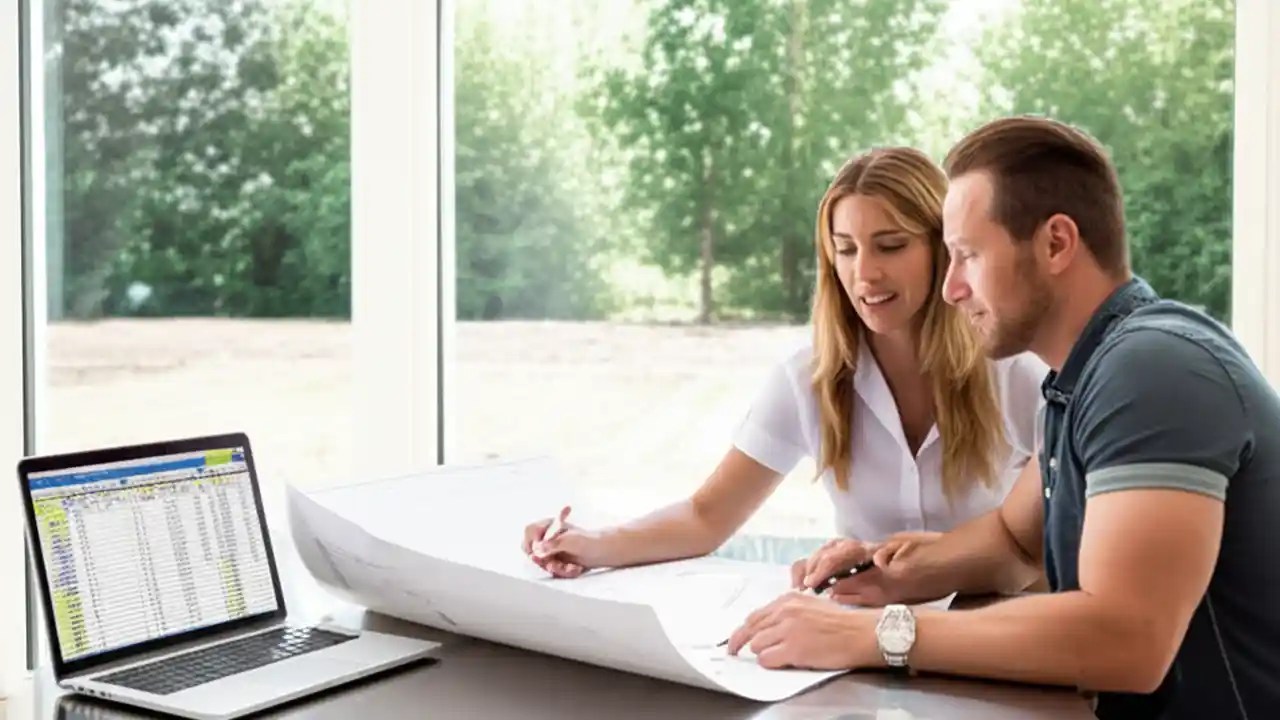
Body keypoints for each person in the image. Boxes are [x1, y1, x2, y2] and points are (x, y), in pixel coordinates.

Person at [726, 116, 1280, 719]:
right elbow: (1013, 539)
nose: (950, 289)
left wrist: (878, 634)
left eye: (966, 256)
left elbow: (1125, 638)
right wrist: (882, 569)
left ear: (1056, 244)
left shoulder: (1153, 372)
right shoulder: (1085, 378)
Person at [522, 146, 1047, 599]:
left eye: (890, 246)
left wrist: (892, 561)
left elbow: (1039, 553)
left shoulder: (1016, 371)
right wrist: (594, 545)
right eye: (845, 250)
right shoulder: (810, 377)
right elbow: (707, 516)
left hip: (992, 631)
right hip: (862, 636)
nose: (864, 273)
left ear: (944, 249)